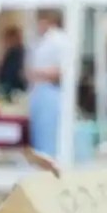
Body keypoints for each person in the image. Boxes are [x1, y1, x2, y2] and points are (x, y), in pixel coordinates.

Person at [25, 10, 70, 157]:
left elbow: (63, 70)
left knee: (51, 131)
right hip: (38, 91)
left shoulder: (59, 40)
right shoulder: (39, 41)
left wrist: (39, 73)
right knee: (39, 130)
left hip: (51, 91)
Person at [0, 26, 27, 99]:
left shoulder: (18, 53)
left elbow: (13, 72)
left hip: (15, 89)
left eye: (7, 39)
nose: (5, 42)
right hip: (9, 88)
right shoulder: (11, 52)